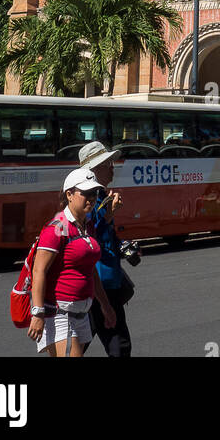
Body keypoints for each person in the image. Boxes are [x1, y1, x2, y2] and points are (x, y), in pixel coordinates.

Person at [27, 168, 116, 357]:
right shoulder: (57, 228)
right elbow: (39, 271)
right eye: (85, 193)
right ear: (69, 194)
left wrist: (106, 306)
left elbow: (90, 271)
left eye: (95, 193)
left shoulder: (87, 226)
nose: (91, 198)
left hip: (81, 314)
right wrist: (38, 313)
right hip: (60, 314)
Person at [77, 141, 133, 356]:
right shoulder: (86, 201)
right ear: (93, 169)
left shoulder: (101, 196)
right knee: (119, 346)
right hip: (99, 284)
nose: (112, 167)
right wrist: (109, 215)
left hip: (105, 282)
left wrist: (124, 247)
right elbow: (87, 240)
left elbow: (107, 237)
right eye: (107, 163)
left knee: (82, 344)